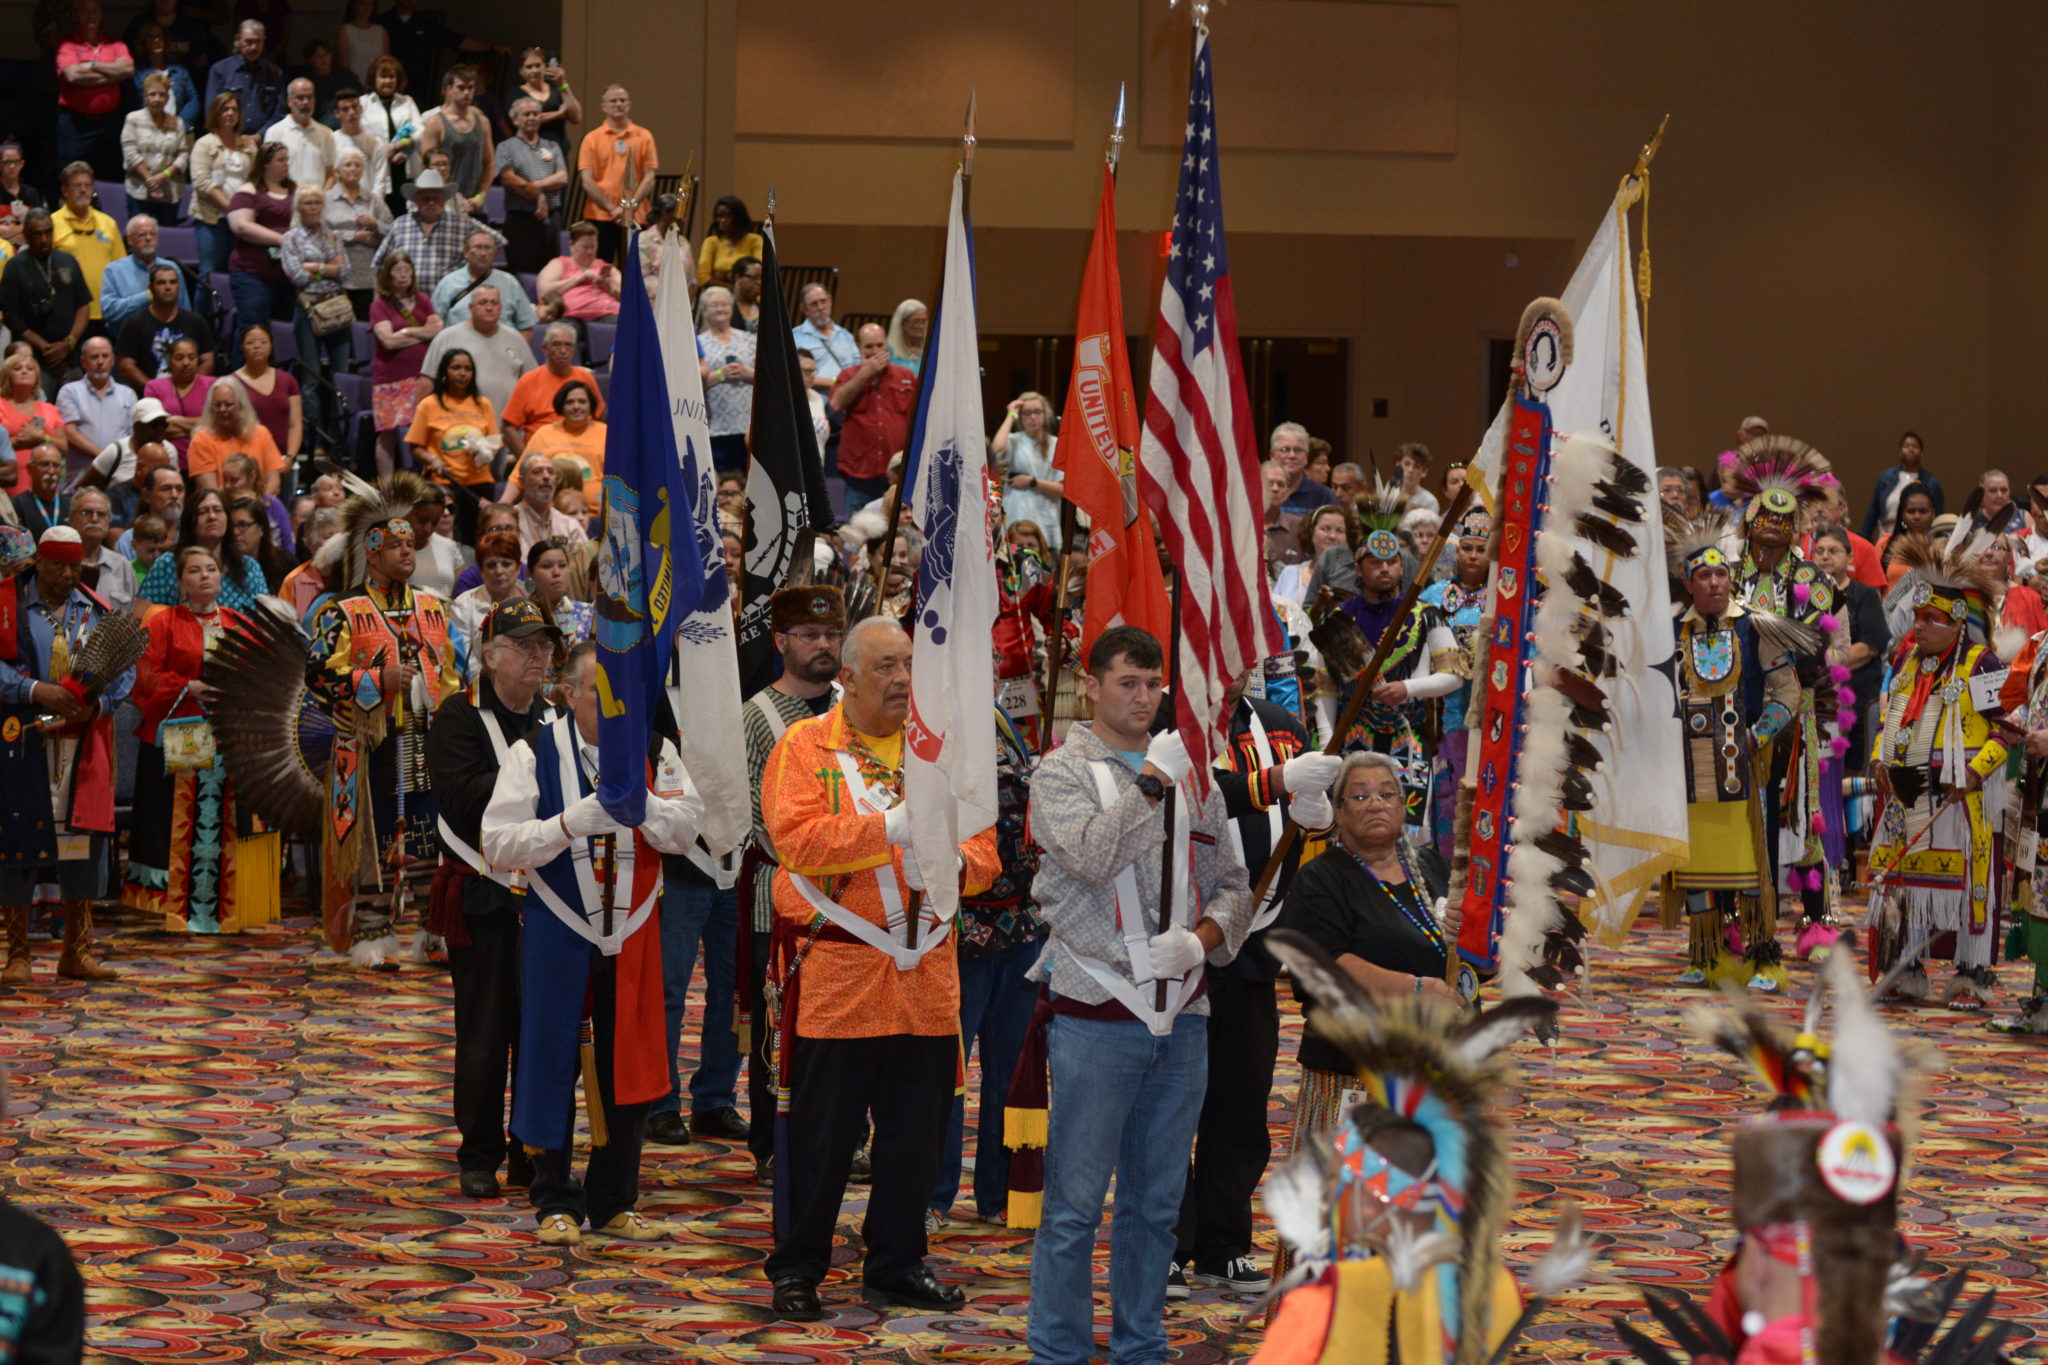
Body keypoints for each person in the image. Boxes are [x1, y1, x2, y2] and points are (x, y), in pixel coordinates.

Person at [1020, 625, 1256, 1365]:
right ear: (1091, 685)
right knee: (1074, 1207)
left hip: (1183, 1011)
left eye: (1153, 684)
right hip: (1096, 1006)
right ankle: (1058, 1351)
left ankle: (1139, 1346)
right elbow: (1089, 855)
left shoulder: (1195, 775)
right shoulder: (1059, 771)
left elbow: (1234, 884)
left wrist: (1206, 939)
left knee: (1156, 1204)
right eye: (1128, 682)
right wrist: (1148, 784)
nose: (1143, 697)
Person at [758, 616, 997, 1318]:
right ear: (849, 678)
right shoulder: (806, 747)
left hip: (926, 975)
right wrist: (884, 829)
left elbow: (985, 845)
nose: (902, 681)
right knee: (823, 1137)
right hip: (844, 970)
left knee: (915, 1138)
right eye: (887, 668)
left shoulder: (941, 751)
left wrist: (958, 862)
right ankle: (798, 1264)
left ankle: (896, 1260)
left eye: (909, 667)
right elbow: (795, 840)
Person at [477, 639, 700, 1242]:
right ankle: (554, 1200)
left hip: (632, 930)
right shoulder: (533, 753)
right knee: (549, 1058)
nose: (615, 701)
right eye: (599, 690)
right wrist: (566, 824)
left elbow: (687, 829)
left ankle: (614, 1201)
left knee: (627, 1062)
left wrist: (644, 806)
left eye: (625, 691)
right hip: (559, 925)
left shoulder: (655, 749)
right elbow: (496, 842)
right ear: (567, 693)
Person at [1169, 673, 1339, 1293]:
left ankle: (1223, 1242)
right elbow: (1193, 796)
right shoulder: (1160, 718)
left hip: (1258, 939)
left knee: (1240, 1099)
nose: (1232, 664)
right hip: (1174, 941)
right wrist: (1276, 784)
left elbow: (1310, 824)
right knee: (1168, 1102)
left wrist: (1316, 818)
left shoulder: (1283, 726)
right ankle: (1166, 1243)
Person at [426, 598, 558, 1196]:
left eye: (545, 647)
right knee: (484, 1034)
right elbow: (464, 799)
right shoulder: (458, 716)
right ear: (491, 656)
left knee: (543, 1030)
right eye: (525, 646)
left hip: (553, 900)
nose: (538, 657)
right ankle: (478, 1154)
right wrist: (538, 770)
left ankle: (532, 1148)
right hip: (484, 895)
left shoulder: (559, 715)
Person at [307, 476, 462, 963]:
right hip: (368, 744)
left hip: (426, 741)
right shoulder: (342, 611)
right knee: (371, 836)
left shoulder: (435, 609)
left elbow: (452, 676)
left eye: (410, 544)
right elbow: (318, 677)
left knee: (427, 832)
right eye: (395, 546)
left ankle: (430, 929)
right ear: (372, 554)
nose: (407, 553)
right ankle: (371, 931)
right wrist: (378, 679)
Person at [1660, 508, 1802, 987]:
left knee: (1751, 862)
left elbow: (1788, 692)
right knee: (1697, 862)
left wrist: (1757, 735)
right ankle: (1706, 954)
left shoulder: (1756, 627)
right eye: (1705, 575)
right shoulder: (1674, 632)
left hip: (1744, 768)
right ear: (1689, 582)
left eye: (1722, 573)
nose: (1717, 583)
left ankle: (1764, 955)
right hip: (1690, 770)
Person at [0, 526, 136, 984]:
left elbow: (124, 668)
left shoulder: (94, 610)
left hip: (83, 744)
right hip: (22, 742)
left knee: (83, 847)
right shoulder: (9, 606)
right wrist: (34, 689)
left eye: (74, 565)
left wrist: (97, 704)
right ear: (38, 561)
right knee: (18, 841)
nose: (66, 573)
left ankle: (75, 951)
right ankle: (17, 954)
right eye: (57, 564)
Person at [123, 542, 281, 933]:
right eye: (194, 570)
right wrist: (187, 686)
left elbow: (261, 678)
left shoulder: (237, 623)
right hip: (182, 731)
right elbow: (142, 677)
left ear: (220, 577)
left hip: (230, 737)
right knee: (181, 819)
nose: (204, 576)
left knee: (232, 816)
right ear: (180, 581)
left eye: (210, 568)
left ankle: (234, 903)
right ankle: (176, 905)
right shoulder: (162, 623)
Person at [1327, 490, 1459, 827]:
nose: (1384, 569)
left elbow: (1454, 675)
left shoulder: (1425, 614)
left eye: (1392, 562)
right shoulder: (1339, 619)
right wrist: (1329, 743)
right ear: (1359, 566)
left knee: (1408, 833)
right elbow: (1326, 688)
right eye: (1375, 562)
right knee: (1352, 828)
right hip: (1352, 742)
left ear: (1403, 565)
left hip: (1407, 741)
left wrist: (1408, 688)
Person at [280, 185, 352, 451]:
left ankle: (339, 439)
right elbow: (296, 276)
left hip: (337, 308)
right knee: (311, 378)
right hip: (308, 308)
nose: (312, 207)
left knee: (340, 376)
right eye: (307, 203)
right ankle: (318, 440)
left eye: (317, 203)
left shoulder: (334, 235)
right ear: (299, 207)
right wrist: (329, 268)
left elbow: (346, 272)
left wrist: (316, 268)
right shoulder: (291, 238)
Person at [370, 167, 504, 297]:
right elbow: (379, 263)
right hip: (407, 304)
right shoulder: (401, 224)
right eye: (425, 198)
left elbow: (497, 240)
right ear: (416, 200)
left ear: (444, 199)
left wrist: (476, 271)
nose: (431, 203)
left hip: (451, 300)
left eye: (436, 198)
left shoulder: (462, 223)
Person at [0, 213, 92, 394]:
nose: (44, 239)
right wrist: (46, 348)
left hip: (70, 355)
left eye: (48, 233)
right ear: (26, 234)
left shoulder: (68, 260)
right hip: (33, 360)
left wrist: (69, 342)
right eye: (38, 234)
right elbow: (11, 315)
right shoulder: (15, 266)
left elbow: (83, 305)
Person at [828, 324, 917, 509]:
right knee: (859, 533)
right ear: (859, 348)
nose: (875, 351)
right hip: (860, 473)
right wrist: (863, 374)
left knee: (898, 531)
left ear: (887, 345)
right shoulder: (848, 375)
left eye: (880, 345)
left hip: (898, 470)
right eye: (868, 347)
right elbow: (836, 404)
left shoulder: (905, 376)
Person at [224, 142, 297, 365]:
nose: (286, 164)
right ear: (266, 163)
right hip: (253, 273)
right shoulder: (247, 192)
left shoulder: (295, 190)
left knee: (284, 332)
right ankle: (241, 380)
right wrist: (281, 239)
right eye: (281, 160)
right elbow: (241, 226)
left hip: (288, 274)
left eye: (287, 159)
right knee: (253, 329)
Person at [139, 485, 267, 609]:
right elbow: (142, 617)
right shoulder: (167, 564)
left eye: (217, 510)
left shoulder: (250, 568)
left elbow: (266, 621)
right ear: (190, 521)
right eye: (203, 512)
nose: (212, 516)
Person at [420, 284, 534, 420]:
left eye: (494, 303)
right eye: (482, 303)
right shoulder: (446, 337)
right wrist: (418, 417)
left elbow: (531, 381)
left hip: (508, 426)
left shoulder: (515, 338)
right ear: (471, 308)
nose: (489, 308)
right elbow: (428, 381)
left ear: (501, 308)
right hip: (458, 426)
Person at [55, 0, 136, 184]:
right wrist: (112, 76)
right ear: (77, 16)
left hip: (110, 124)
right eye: (84, 11)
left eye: (94, 11)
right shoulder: (67, 45)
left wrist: (91, 65)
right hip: (76, 125)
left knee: (111, 177)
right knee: (71, 178)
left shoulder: (115, 44)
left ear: (100, 15)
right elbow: (73, 75)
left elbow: (128, 69)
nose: (90, 15)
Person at [576, 85, 657, 264]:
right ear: (603, 106)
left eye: (622, 100)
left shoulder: (644, 136)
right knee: (600, 268)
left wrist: (628, 206)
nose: (618, 104)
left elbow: (649, 177)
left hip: (636, 215)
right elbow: (587, 181)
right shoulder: (592, 138)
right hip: (600, 216)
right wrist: (612, 209)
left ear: (629, 104)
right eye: (613, 101)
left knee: (635, 269)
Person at [373, 0, 503, 105]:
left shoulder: (427, 23)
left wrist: (492, 47)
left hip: (417, 88)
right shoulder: (382, 22)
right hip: (386, 84)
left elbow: (457, 40)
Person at [494, 95, 568, 275]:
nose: (532, 118)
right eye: (526, 114)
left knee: (550, 273)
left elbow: (562, 178)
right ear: (515, 119)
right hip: (521, 221)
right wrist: (539, 195)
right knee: (522, 274)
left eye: (535, 114)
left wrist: (537, 187)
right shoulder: (506, 147)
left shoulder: (552, 145)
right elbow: (509, 179)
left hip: (551, 219)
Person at [189, 93, 257, 276]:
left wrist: (240, 211)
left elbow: (256, 180)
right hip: (211, 218)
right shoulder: (203, 144)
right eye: (225, 109)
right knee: (209, 272)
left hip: (242, 220)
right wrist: (230, 208)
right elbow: (202, 182)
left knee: (238, 271)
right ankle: (203, 306)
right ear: (215, 114)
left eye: (234, 109)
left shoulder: (249, 146)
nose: (230, 113)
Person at [50, 163, 125, 326]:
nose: (83, 190)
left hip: (106, 311)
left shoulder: (108, 223)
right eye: (77, 185)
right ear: (65, 191)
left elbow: (120, 268)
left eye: (87, 185)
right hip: (68, 314)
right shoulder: (52, 224)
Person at [502, 324, 600, 447]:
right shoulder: (528, 380)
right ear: (544, 348)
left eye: (568, 345)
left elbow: (599, 415)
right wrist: (526, 458)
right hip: (543, 454)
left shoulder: (586, 378)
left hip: (582, 448)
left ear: (574, 349)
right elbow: (508, 426)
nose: (563, 350)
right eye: (557, 344)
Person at [105, 226, 198, 352]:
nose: (148, 238)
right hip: (128, 344)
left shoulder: (171, 267)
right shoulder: (114, 270)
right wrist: (148, 296)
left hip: (171, 345)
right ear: (129, 240)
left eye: (152, 234)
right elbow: (110, 312)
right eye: (142, 234)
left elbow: (184, 308)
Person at [220, 327, 300, 469]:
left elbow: (295, 424)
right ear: (242, 347)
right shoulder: (231, 383)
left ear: (271, 346)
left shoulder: (288, 380)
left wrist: (290, 457)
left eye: (263, 342)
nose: (257, 346)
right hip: (247, 462)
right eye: (250, 342)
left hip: (283, 460)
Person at [417, 65, 493, 215]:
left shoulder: (482, 121)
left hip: (475, 203)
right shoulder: (436, 122)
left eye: (470, 88)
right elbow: (427, 167)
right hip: (446, 205)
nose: (466, 93)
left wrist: (481, 195)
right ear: (449, 89)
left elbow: (490, 163)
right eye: (461, 87)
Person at [990, 390, 1061, 550]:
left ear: (1045, 414)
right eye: (1026, 413)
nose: (1032, 417)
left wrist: (1032, 482)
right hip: (1016, 519)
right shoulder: (1014, 440)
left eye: (1037, 412)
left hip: (1045, 523)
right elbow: (996, 449)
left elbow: (1065, 489)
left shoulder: (1056, 445)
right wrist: (1011, 414)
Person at [56, 336, 136, 476]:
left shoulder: (128, 394)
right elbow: (70, 433)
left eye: (105, 356)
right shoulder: (69, 391)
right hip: (80, 478)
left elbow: (133, 436)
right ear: (83, 362)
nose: (100, 362)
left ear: (112, 361)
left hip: (119, 477)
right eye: (94, 357)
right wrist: (106, 458)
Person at [326, 145, 391, 319]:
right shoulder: (326, 199)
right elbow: (321, 234)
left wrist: (375, 224)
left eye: (357, 165)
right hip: (336, 276)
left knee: (363, 326)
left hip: (367, 277)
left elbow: (393, 230)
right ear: (337, 171)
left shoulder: (373, 199)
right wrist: (353, 236)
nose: (353, 168)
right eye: (348, 165)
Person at [120, 73, 191, 227]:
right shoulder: (133, 119)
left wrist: (163, 176)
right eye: (152, 94)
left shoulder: (177, 122)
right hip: (139, 191)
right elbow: (131, 154)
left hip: (170, 192)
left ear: (167, 98)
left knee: (167, 241)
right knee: (140, 238)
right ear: (144, 97)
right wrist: (150, 180)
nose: (157, 99)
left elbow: (183, 154)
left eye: (162, 94)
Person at [697, 286, 754, 473]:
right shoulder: (698, 342)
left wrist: (747, 373)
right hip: (715, 427)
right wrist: (721, 375)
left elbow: (771, 380)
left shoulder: (749, 340)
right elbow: (693, 385)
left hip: (748, 427)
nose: (720, 309)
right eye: (714, 305)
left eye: (724, 304)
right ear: (704, 310)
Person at [449, 529, 523, 672]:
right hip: (479, 685)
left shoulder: (531, 600)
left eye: (506, 564)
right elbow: (463, 661)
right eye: (491, 565)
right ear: (481, 571)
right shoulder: (463, 605)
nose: (499, 571)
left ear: (518, 567)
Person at [361, 55, 424, 215]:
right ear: (373, 78)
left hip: (405, 168)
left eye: (392, 77)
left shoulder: (407, 101)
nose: (387, 81)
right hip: (376, 171)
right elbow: (361, 139)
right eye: (383, 76)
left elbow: (421, 132)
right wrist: (384, 152)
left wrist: (398, 146)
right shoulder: (363, 103)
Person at [205, 21, 286, 143]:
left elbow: (280, 112)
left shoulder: (274, 73)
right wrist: (233, 136)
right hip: (227, 141)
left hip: (263, 143)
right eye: (249, 41)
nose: (254, 47)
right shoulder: (220, 70)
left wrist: (259, 136)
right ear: (238, 40)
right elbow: (212, 110)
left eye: (258, 42)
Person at [0, 351, 66, 497]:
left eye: (30, 369)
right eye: (17, 368)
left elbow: (64, 448)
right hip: (9, 481)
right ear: (7, 376)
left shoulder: (50, 409)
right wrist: (19, 441)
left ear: (37, 376)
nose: (24, 371)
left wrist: (41, 437)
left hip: (46, 481)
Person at [141, 336, 214, 464]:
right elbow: (154, 429)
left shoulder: (212, 385)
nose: (186, 363)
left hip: (206, 459)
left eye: (191, 357)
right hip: (166, 461)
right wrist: (200, 425)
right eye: (179, 358)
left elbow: (217, 426)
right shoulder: (154, 387)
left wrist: (176, 421)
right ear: (169, 360)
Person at [1861, 429, 1943, 540]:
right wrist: (1864, 537)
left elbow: (1938, 516)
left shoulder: (1931, 482)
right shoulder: (1886, 478)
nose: (1910, 449)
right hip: (1887, 537)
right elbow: (1873, 511)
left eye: (1915, 446)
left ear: (1922, 453)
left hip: (1921, 539)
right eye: (1906, 446)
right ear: (1899, 452)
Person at [537, 221, 621, 327]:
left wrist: (609, 288)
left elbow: (628, 295)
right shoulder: (560, 263)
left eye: (593, 247)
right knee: (563, 330)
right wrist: (578, 278)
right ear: (571, 244)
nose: (590, 252)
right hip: (571, 316)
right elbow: (543, 291)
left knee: (625, 325)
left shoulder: (607, 267)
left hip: (609, 314)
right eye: (585, 247)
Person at [506, 450, 587, 557]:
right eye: (537, 471)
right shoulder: (509, 522)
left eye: (551, 472)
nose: (546, 476)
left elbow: (586, 568)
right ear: (522, 481)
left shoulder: (570, 526)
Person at [68, 488, 135, 613]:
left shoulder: (122, 565)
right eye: (86, 512)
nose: (94, 519)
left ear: (109, 521)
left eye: (101, 514)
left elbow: (131, 618)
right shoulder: (59, 564)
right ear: (71, 519)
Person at [265, 77, 336, 191]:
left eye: (310, 97)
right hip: (285, 202)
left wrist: (321, 197)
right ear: (289, 101)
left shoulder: (327, 133)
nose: (306, 102)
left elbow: (331, 175)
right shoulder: (275, 133)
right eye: (300, 98)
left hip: (318, 204)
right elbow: (270, 175)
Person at [790, 281, 859, 392]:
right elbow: (794, 376)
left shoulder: (846, 335)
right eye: (814, 304)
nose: (820, 307)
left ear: (830, 301)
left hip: (846, 401)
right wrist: (835, 383)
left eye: (823, 301)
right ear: (803, 308)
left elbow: (858, 368)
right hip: (814, 400)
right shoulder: (794, 338)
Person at [513, 47, 579, 161]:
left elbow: (576, 116)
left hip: (559, 155)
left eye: (538, 65)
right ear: (522, 71)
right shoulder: (517, 93)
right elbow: (527, 120)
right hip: (530, 157)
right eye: (529, 67)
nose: (534, 70)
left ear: (545, 66)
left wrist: (563, 84)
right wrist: (559, 113)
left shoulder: (556, 90)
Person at [696, 194, 762, 288]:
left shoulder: (755, 240)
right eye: (719, 216)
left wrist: (723, 276)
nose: (722, 220)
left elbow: (758, 272)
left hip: (750, 293)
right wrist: (733, 287)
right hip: (719, 293)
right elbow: (703, 278)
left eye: (727, 216)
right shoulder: (711, 241)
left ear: (739, 217)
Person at [1269, 422, 1335, 515]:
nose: (1292, 455)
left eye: (1298, 450)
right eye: (1285, 450)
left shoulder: (1324, 496)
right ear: (1272, 455)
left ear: (1306, 457)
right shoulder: (1256, 492)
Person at [12, 448, 68, 540]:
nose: (51, 471)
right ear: (29, 468)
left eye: (56, 465)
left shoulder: (71, 505)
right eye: (44, 464)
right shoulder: (16, 505)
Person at [0, 143, 45, 250]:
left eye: (15, 162)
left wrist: (8, 234)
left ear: (22, 164)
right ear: (0, 164)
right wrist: (25, 229)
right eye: (7, 162)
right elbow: (31, 228)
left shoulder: (31, 193)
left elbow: (40, 226)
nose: (12, 166)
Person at [337, 0, 389, 84]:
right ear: (354, 5)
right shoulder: (345, 31)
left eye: (371, 4)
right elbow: (344, 65)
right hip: (354, 84)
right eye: (363, 3)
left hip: (377, 84)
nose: (367, 8)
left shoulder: (381, 31)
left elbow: (386, 63)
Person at [1394, 441, 1439, 517]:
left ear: (1424, 472)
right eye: (1407, 464)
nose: (1411, 470)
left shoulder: (1430, 502)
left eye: (1417, 467)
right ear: (1398, 465)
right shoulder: (1387, 494)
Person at [885, 298, 927, 376]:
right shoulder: (887, 349)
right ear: (902, 323)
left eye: (924, 321)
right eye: (916, 321)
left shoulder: (930, 348)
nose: (921, 326)